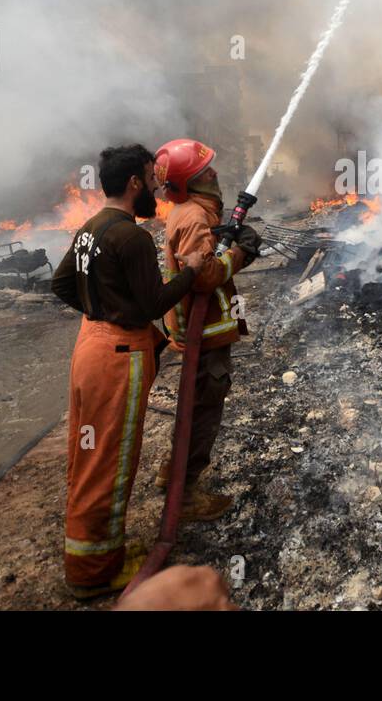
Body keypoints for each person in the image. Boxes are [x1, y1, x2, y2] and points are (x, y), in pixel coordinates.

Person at [50, 143, 209, 599]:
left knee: (89, 455)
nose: (158, 186)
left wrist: (101, 309)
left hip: (89, 347)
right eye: (151, 178)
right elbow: (154, 303)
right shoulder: (132, 236)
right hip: (119, 354)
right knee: (113, 458)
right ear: (135, 183)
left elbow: (61, 284)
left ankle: (93, 555)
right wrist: (192, 270)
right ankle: (94, 573)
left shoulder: (91, 228)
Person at [151, 139, 261, 521]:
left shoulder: (187, 212)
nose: (214, 174)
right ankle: (186, 494)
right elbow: (205, 275)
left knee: (193, 405)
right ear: (188, 183)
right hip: (205, 334)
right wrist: (241, 253)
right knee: (203, 411)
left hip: (200, 330)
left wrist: (224, 236)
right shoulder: (195, 217)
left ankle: (173, 474)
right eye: (204, 172)